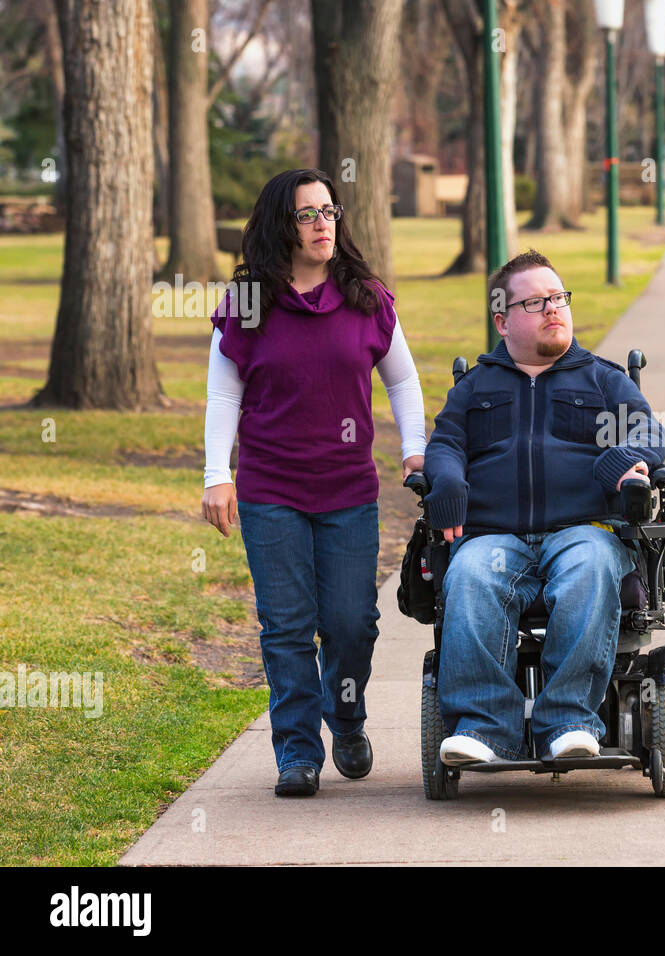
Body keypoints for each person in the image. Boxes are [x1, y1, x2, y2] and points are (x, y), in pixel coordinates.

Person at [201, 168, 428, 797]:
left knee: (353, 621)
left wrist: (416, 451)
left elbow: (403, 382)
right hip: (271, 488)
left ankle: (347, 719)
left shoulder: (366, 297)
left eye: (329, 210)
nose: (323, 222)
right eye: (307, 213)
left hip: (348, 490)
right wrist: (217, 474)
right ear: (283, 223)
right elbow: (224, 393)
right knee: (287, 625)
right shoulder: (249, 302)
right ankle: (296, 752)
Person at [421, 249, 665, 766]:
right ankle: (485, 728)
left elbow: (649, 433)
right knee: (468, 574)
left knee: (590, 566)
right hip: (493, 535)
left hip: (584, 529)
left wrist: (622, 461)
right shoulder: (476, 387)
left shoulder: (601, 380)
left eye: (558, 297)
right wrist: (444, 479)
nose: (553, 309)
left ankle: (569, 722)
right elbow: (445, 445)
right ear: (502, 321)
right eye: (535, 302)